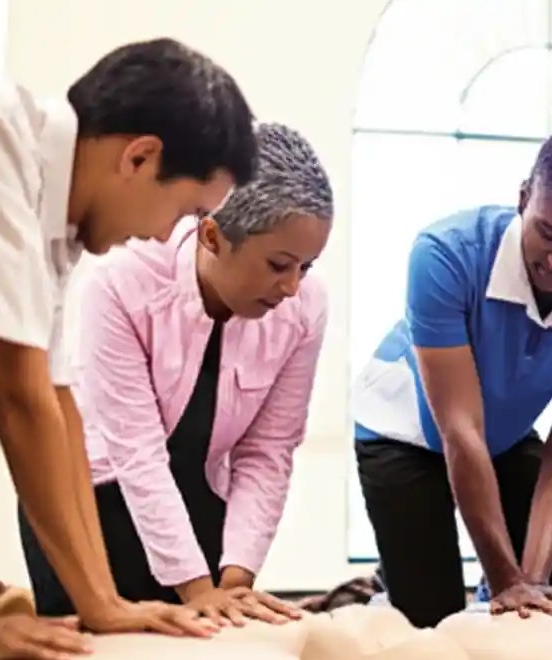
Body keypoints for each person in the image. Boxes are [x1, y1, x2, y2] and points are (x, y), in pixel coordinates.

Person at [0, 37, 256, 660]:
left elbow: (56, 404)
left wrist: (101, 600)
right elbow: (18, 399)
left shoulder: (55, 229)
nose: (164, 235)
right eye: (184, 210)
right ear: (140, 156)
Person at [19, 122, 333, 627]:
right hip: (95, 502)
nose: (293, 287)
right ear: (212, 235)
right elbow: (136, 452)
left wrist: (232, 584)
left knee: (207, 657)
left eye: (308, 266)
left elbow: (268, 450)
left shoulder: (306, 307)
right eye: (279, 264)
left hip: (199, 500)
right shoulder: (122, 279)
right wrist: (194, 589)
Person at [351, 128, 552, 628]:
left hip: (503, 438)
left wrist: (533, 582)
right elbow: (459, 427)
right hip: (404, 434)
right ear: (524, 196)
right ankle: (388, 588)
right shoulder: (445, 254)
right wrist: (505, 581)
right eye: (547, 233)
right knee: (433, 622)